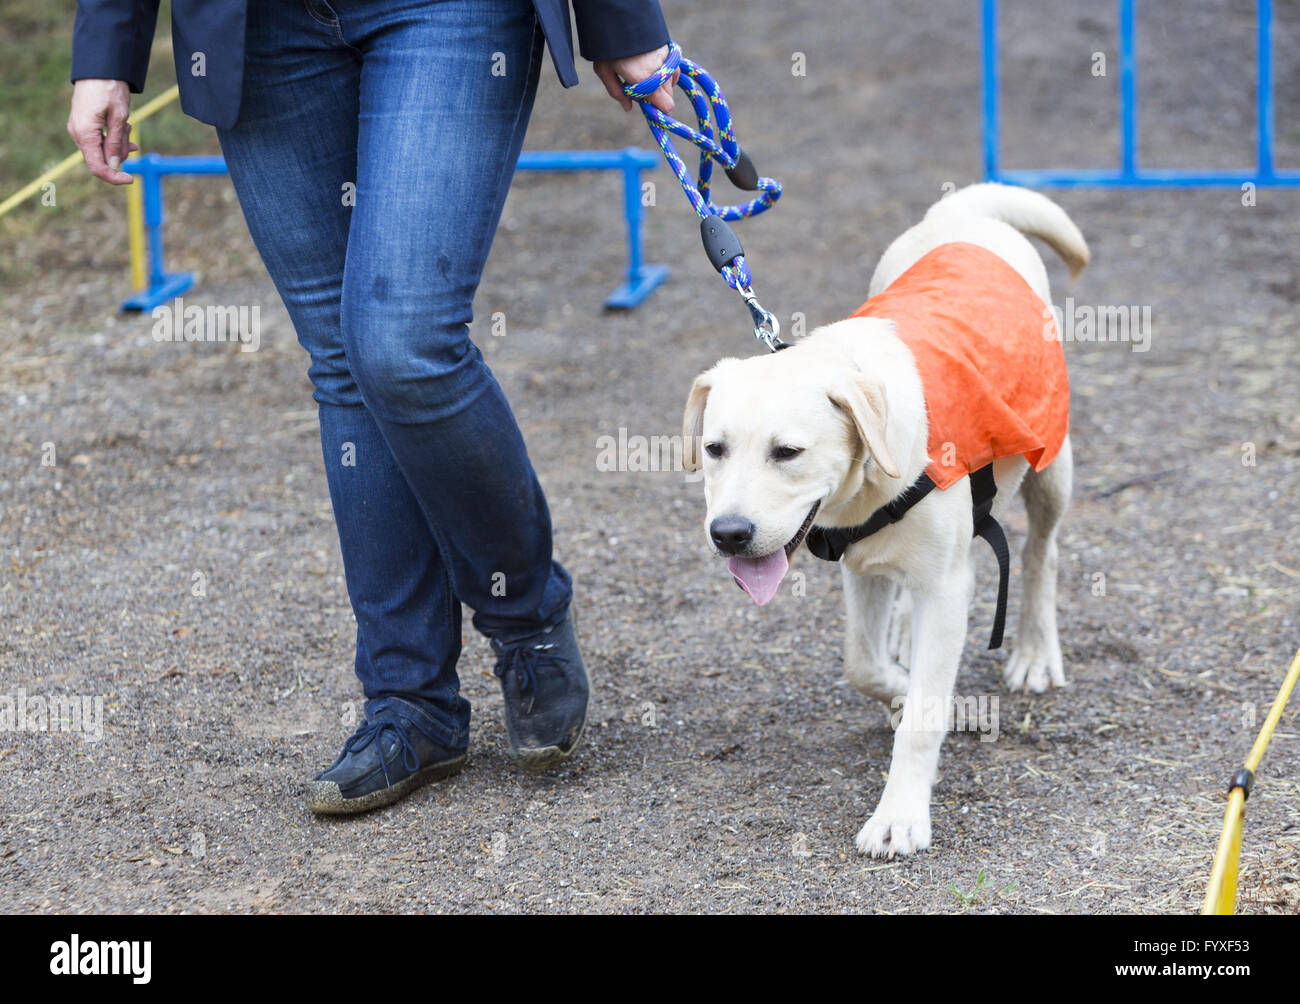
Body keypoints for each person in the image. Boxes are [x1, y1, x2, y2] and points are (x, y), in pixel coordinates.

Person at [68, 0, 677, 814]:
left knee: (403, 343)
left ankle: (524, 612)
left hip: (448, 12)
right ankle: (409, 703)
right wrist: (105, 48)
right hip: (257, 27)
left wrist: (620, 20)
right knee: (344, 359)